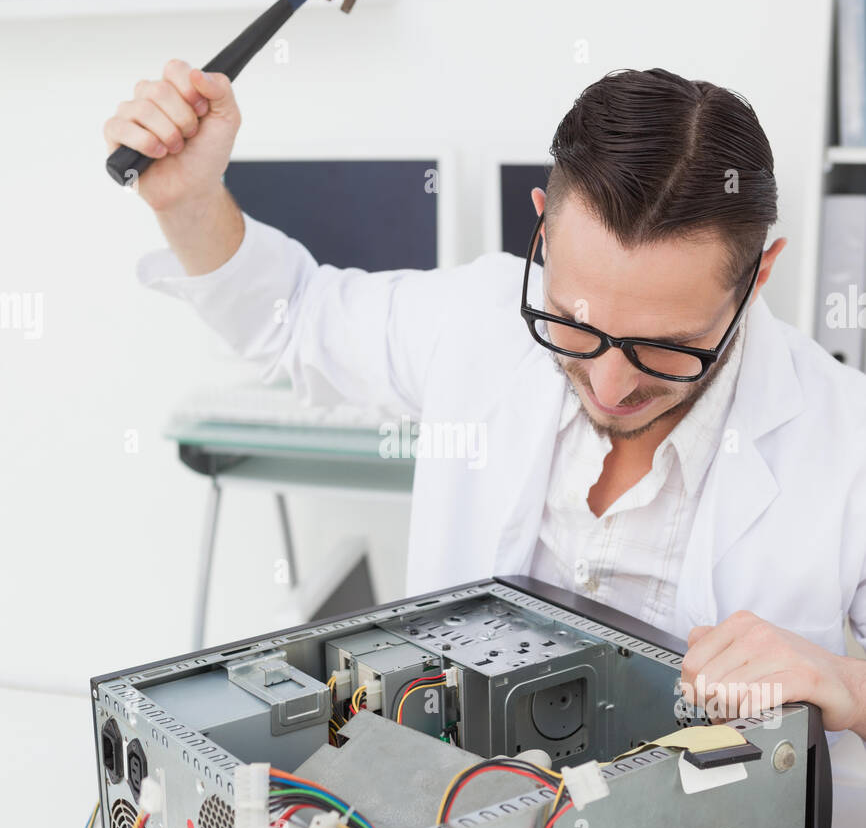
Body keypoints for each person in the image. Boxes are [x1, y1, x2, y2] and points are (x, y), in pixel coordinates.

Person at [104, 62, 866, 745]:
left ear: (758, 276)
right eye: (572, 325)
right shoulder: (476, 318)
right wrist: (189, 202)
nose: (608, 387)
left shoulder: (845, 439)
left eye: (666, 346)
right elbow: (296, 315)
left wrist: (850, 688)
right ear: (542, 225)